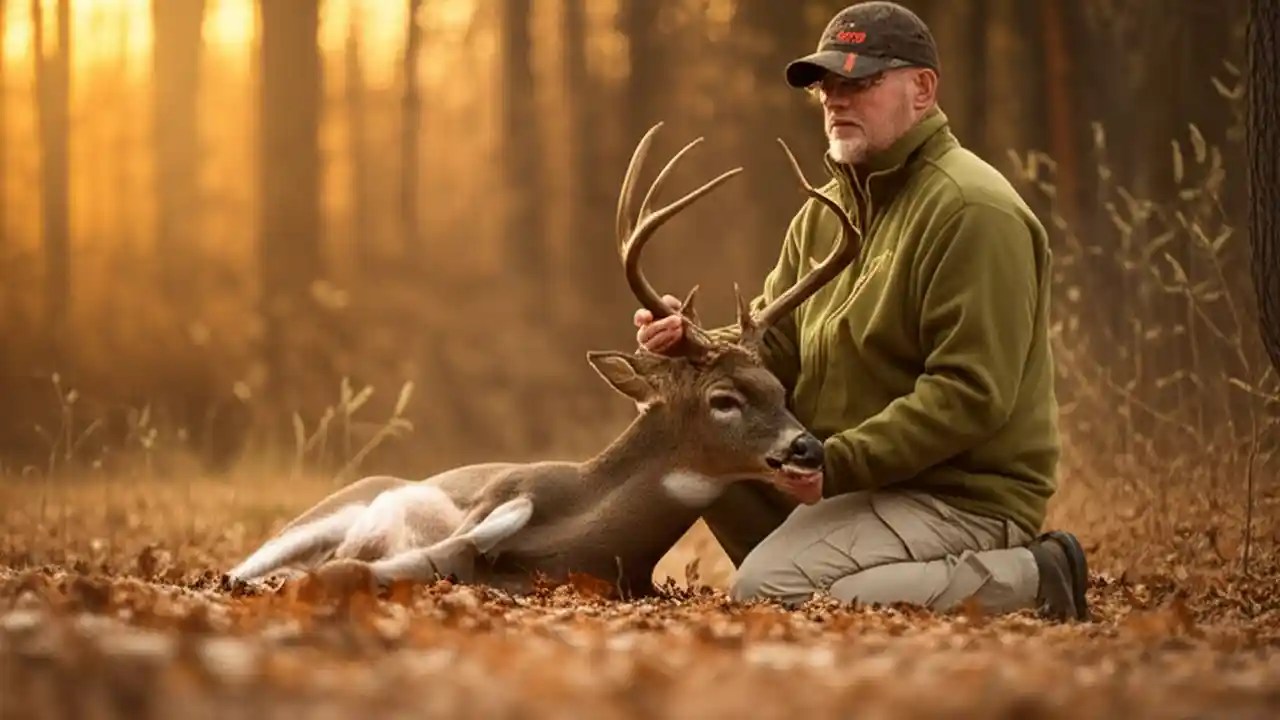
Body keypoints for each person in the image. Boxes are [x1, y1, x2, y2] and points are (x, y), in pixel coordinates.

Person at [633, 1, 1091, 621]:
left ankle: (1033, 576)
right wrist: (693, 346)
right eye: (826, 84)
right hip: (848, 478)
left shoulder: (974, 213)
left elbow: (970, 394)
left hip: (955, 493)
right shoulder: (825, 214)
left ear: (921, 90)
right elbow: (778, 350)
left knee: (766, 592)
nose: (835, 99)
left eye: (860, 82)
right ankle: (832, 570)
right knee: (697, 450)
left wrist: (837, 464)